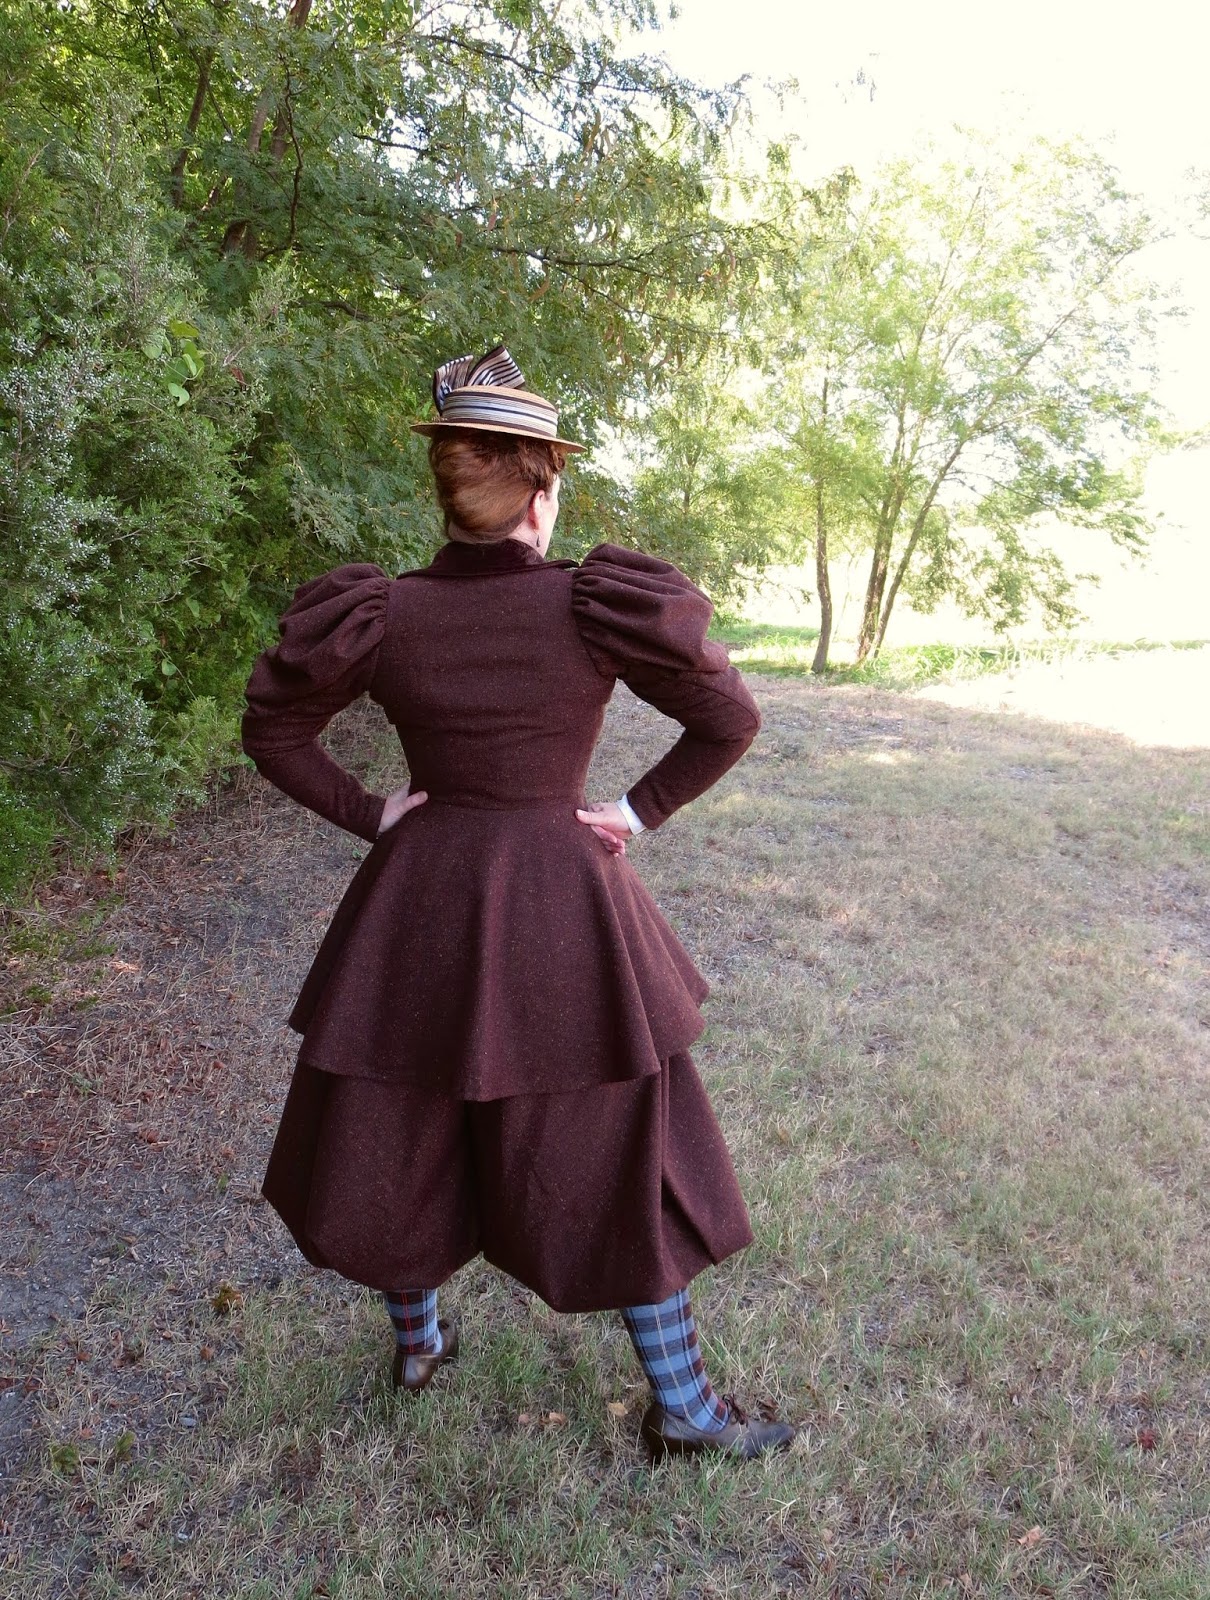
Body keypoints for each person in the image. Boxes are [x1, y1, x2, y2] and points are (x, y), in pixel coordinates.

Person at [241, 347, 796, 1461]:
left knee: (400, 1126)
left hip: (418, 905)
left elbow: (272, 729)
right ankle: (684, 1410)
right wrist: (632, 812)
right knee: (615, 1141)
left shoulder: (385, 612)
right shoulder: (591, 605)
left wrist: (372, 813)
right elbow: (729, 719)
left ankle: (419, 1348)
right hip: (565, 907)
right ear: (543, 490)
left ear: (448, 493)